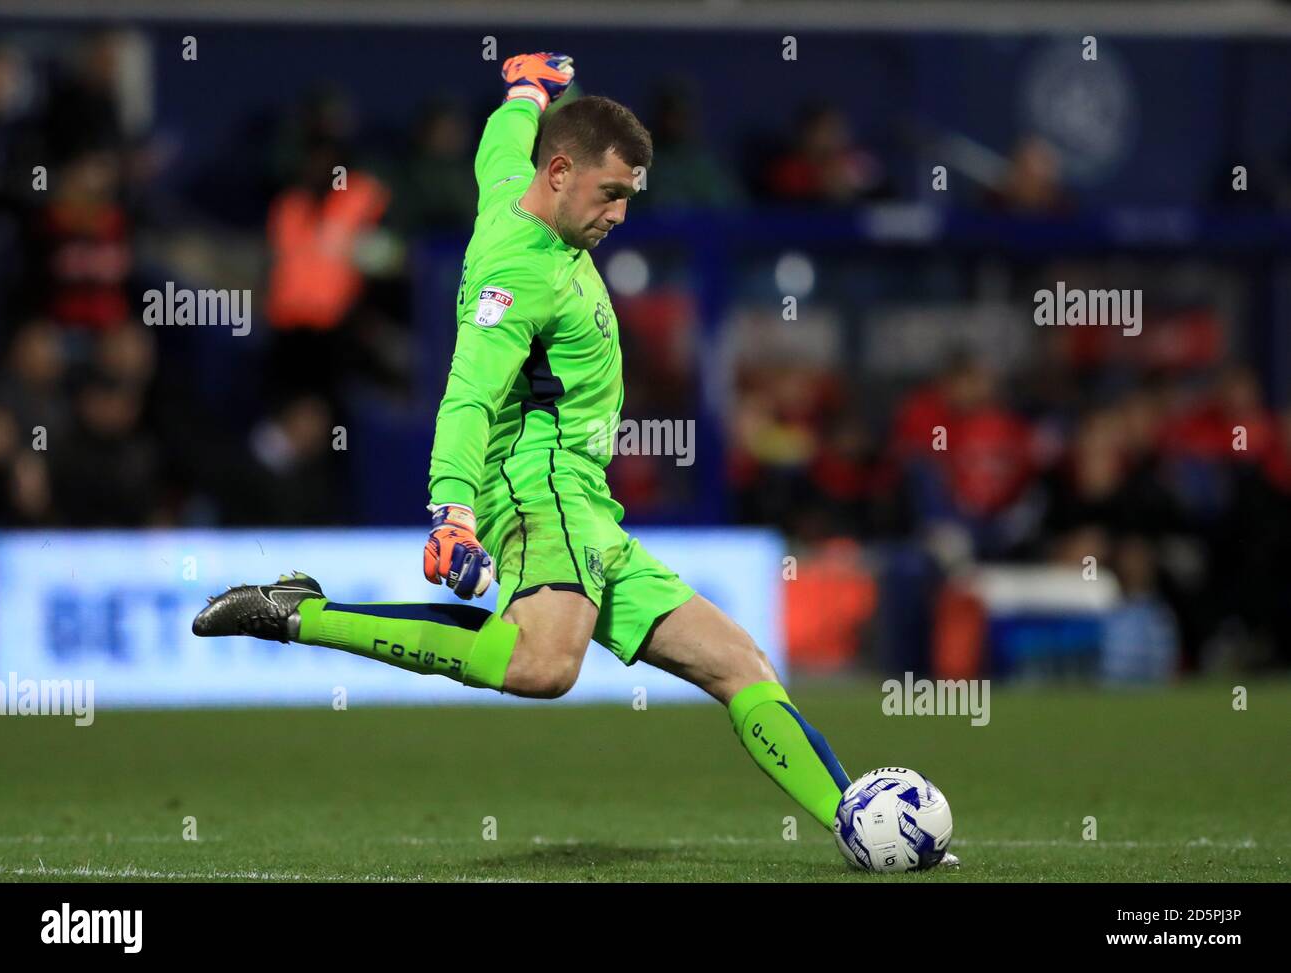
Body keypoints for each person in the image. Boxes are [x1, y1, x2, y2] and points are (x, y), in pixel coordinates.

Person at [193, 53, 956, 869]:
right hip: (539, 486)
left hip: (586, 501)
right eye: (613, 193)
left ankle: (850, 820)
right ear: (559, 173)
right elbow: (467, 396)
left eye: (631, 195)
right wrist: (451, 510)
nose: (621, 215)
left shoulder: (509, 185)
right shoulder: (517, 272)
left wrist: (524, 88)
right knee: (543, 664)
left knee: (738, 662)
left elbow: (502, 138)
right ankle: (299, 614)